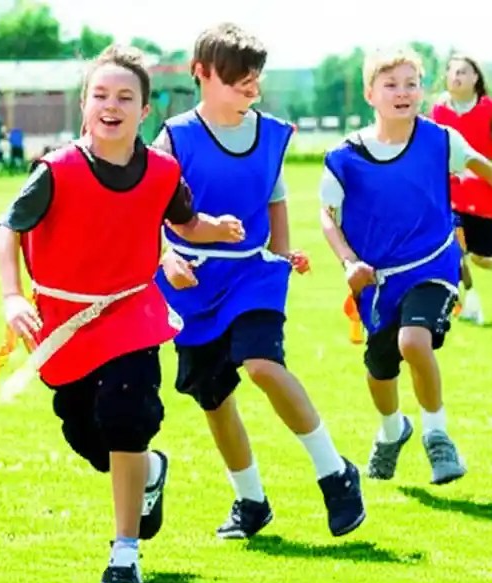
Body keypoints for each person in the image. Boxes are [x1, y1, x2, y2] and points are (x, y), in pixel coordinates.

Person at [0, 45, 244, 583]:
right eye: (101, 95)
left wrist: (214, 228)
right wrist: (13, 296)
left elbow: (184, 219)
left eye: (125, 97)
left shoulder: (161, 171)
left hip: (132, 311)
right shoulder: (56, 171)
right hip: (66, 323)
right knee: (91, 435)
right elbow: (7, 228)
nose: (112, 105)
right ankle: (150, 472)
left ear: (144, 111)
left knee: (127, 417)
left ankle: (125, 552)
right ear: (84, 105)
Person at [152, 23, 365, 540]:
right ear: (201, 73)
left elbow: (275, 194)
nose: (250, 87)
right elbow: (147, 209)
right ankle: (250, 501)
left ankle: (335, 473)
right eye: (236, 78)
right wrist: (163, 258)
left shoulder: (271, 134)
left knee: (263, 364)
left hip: (253, 271)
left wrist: (282, 250)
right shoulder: (174, 137)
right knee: (214, 398)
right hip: (190, 284)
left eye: (255, 78)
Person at [321, 48, 492, 485]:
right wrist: (348, 262)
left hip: (435, 265)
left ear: (422, 91)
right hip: (380, 282)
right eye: (391, 85)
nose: (402, 93)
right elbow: (326, 216)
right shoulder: (346, 156)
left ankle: (438, 437)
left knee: (414, 341)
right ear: (370, 93)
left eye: (411, 84)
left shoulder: (441, 140)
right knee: (378, 370)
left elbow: (484, 168)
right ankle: (392, 430)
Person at [431, 54, 492, 324]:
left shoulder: (489, 109)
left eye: (463, 72)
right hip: (451, 192)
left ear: (475, 78)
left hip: (482, 194)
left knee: (482, 256)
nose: (456, 77)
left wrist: (484, 164)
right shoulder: (439, 111)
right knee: (452, 249)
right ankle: (468, 302)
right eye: (452, 72)